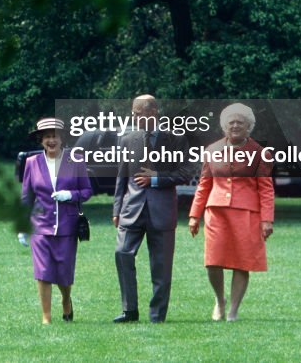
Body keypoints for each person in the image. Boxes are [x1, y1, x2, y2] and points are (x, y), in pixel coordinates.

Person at [188, 103, 274, 322]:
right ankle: (219, 300)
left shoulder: (260, 153)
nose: (235, 126)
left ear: (249, 127)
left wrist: (267, 219)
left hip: (247, 213)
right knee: (213, 260)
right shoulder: (211, 150)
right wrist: (193, 215)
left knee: (242, 262)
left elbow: (265, 188)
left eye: (240, 123)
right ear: (224, 126)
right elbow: (204, 184)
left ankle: (233, 309)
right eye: (231, 122)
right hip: (216, 212)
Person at [111, 95, 191, 324]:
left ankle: (157, 315)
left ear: (154, 111)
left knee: (161, 266)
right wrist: (117, 208)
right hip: (131, 209)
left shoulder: (176, 139)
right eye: (133, 113)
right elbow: (122, 176)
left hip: (162, 211)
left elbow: (185, 173)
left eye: (138, 113)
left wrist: (157, 179)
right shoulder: (127, 140)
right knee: (122, 253)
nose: (134, 117)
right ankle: (129, 311)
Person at [20, 117, 93, 324]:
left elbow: (87, 191)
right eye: (47, 137)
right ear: (41, 140)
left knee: (64, 273)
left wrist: (69, 195)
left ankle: (66, 300)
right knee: (43, 272)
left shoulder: (75, 160)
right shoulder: (32, 163)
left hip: (67, 226)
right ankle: (46, 317)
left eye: (55, 136)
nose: (51, 140)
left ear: (62, 139)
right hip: (40, 227)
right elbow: (26, 197)